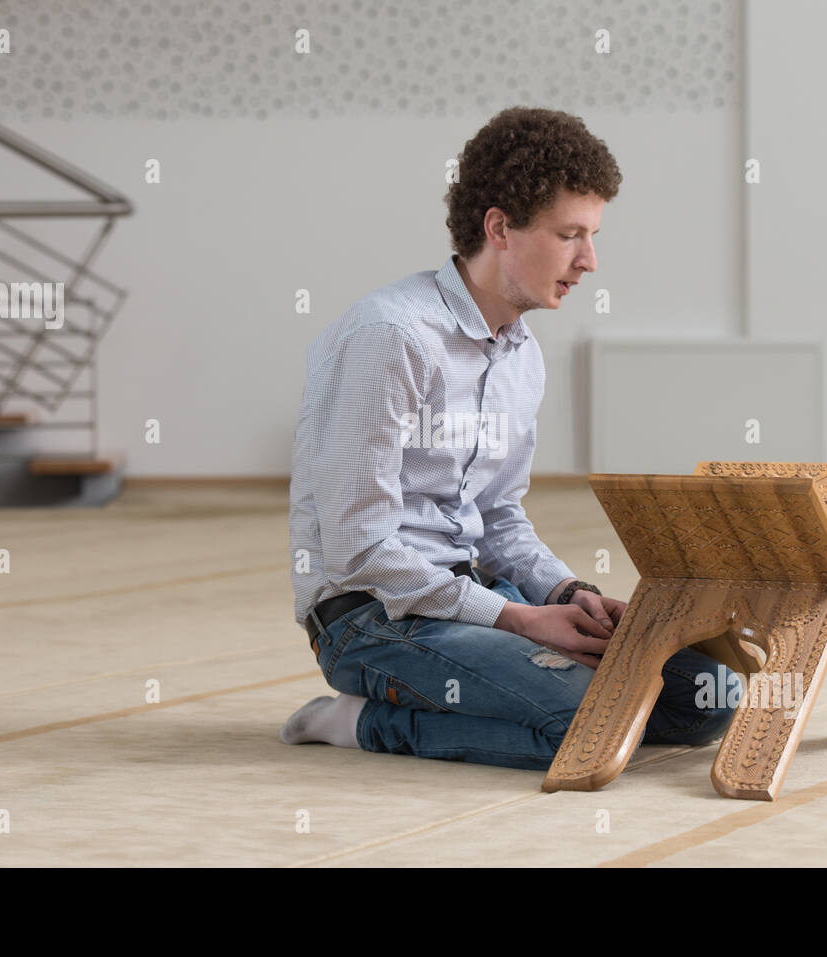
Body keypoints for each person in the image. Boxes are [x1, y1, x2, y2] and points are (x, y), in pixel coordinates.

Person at [281, 106, 739, 770]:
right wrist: (519, 621)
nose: (590, 261)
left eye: (592, 235)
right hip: (372, 619)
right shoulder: (391, 336)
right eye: (570, 234)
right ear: (500, 227)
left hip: (482, 600)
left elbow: (498, 517)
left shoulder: (522, 355)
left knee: (710, 695)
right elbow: (359, 552)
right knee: (587, 719)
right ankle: (361, 721)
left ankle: (513, 685)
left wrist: (563, 594)